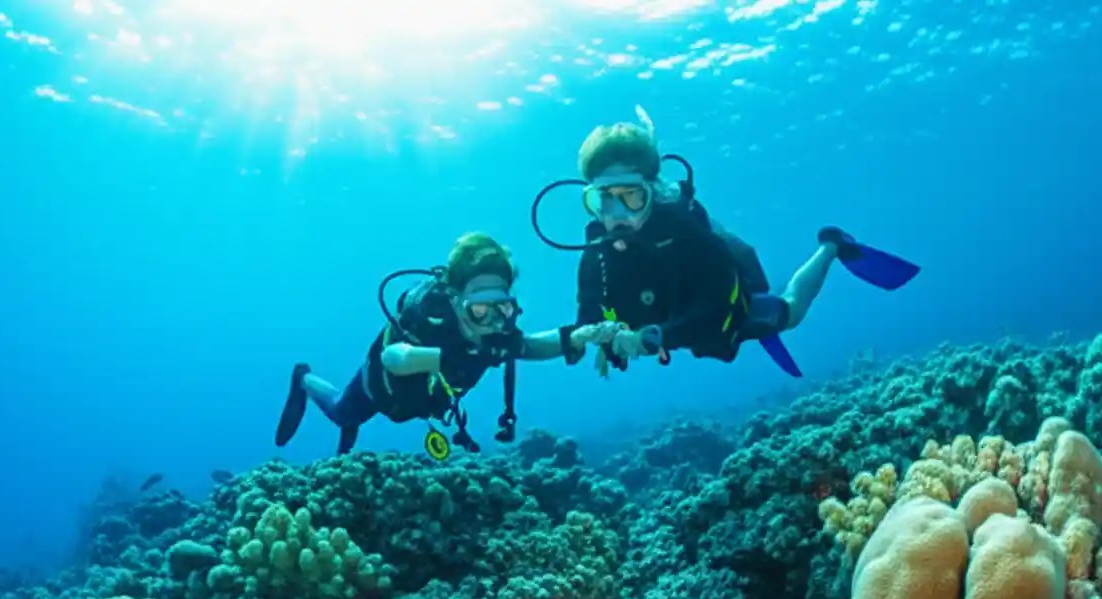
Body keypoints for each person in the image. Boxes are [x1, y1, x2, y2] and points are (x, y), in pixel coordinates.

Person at [530, 107, 920, 377]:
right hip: (659, 327)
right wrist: (594, 334)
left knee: (790, 313)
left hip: (717, 312)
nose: (616, 214)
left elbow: (716, 305)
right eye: (603, 199)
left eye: (630, 196)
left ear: (652, 190)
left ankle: (832, 246)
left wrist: (656, 337)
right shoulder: (595, 249)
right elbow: (591, 308)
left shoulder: (685, 230)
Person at [274, 232, 619, 459]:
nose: (493, 320)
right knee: (341, 414)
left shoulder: (497, 330)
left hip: (422, 402)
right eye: (479, 308)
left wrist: (576, 336)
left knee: (348, 428)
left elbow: (527, 347)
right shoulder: (431, 319)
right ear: (455, 300)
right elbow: (392, 358)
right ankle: (303, 379)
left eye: (503, 307)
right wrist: (443, 358)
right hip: (379, 391)